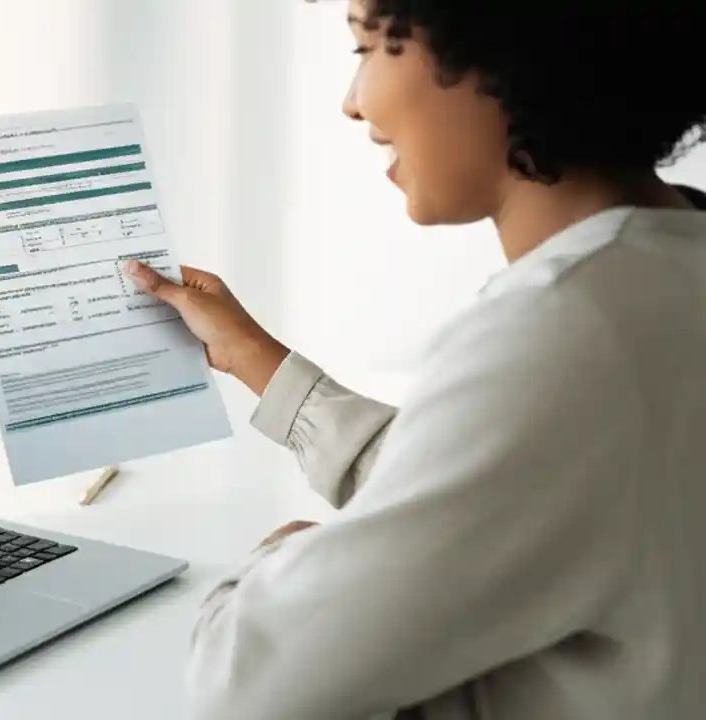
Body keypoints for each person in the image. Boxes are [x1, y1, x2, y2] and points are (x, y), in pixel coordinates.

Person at [123, 1, 706, 718]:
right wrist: (253, 357)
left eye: (368, 47)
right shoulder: (663, 270)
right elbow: (506, 481)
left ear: (497, 56)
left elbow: (241, 682)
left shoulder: (563, 332)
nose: (353, 101)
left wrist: (287, 563)